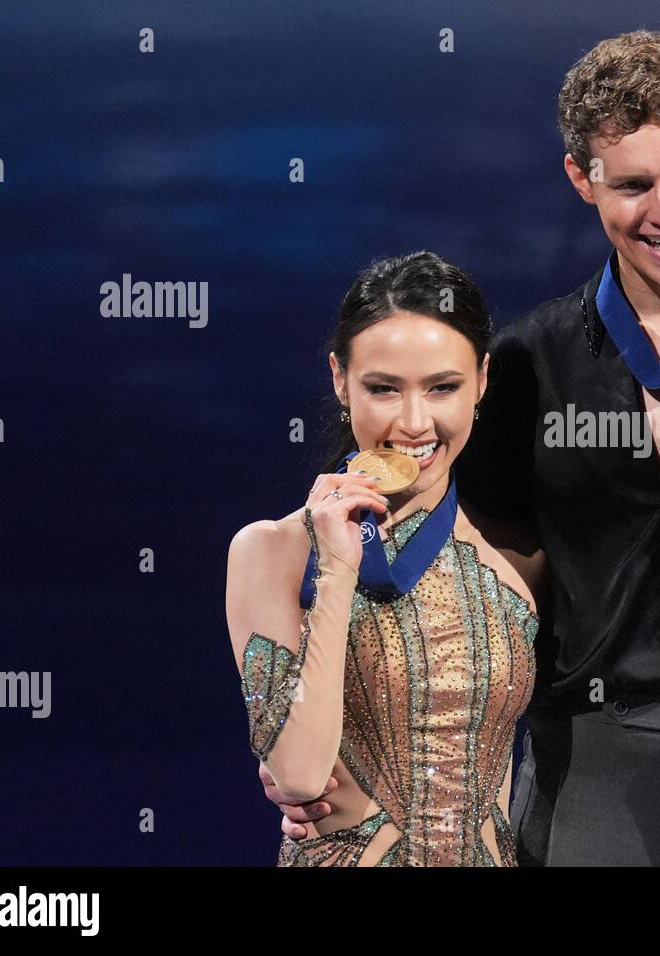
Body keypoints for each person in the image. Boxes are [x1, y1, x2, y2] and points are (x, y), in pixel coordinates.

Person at [272, 29, 660, 866]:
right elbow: (464, 577)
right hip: (585, 770)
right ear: (580, 180)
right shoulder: (528, 363)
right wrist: (334, 753)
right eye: (631, 185)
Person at [225, 251, 544, 866]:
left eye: (443, 387)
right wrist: (339, 570)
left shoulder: (519, 556)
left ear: (481, 381)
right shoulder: (273, 550)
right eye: (383, 389)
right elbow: (297, 775)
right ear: (340, 380)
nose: (414, 422)